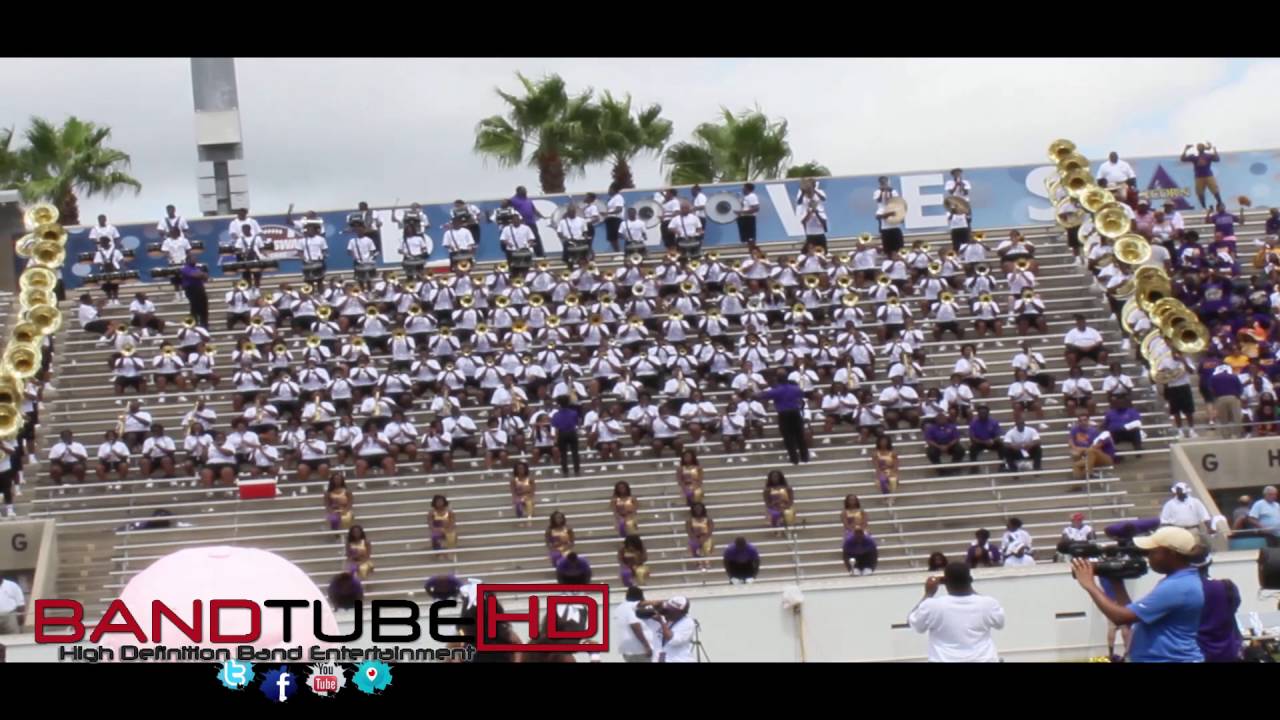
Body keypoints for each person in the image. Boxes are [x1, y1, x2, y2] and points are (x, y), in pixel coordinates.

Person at [1071, 526, 1206, 663]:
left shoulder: (1177, 586)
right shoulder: (1181, 581)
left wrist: (1090, 585)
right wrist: (1117, 583)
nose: (1148, 556)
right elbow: (1131, 616)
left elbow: (1120, 617)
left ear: (1171, 554)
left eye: (1153, 551)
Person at [907, 562, 1005, 662]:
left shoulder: (932, 605)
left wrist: (928, 593)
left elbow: (913, 622)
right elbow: (1000, 624)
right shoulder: (988, 603)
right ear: (970, 580)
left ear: (945, 582)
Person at [755, 369, 810, 464]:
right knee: (800, 435)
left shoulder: (776, 390)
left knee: (788, 437)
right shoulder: (794, 388)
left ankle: (794, 458)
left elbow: (761, 396)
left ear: (778, 380)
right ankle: (805, 457)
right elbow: (802, 394)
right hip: (795, 412)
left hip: (784, 414)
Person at [1195, 557, 1243, 662]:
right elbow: (1234, 608)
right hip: (1229, 651)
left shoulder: (1185, 591)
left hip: (1198, 653)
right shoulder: (1227, 587)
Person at [613, 586, 657, 663]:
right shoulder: (633, 606)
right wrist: (646, 646)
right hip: (639, 649)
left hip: (626, 649)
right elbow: (635, 625)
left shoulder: (619, 608)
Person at [1180, 142, 1223, 209]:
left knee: (1215, 191)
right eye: (1198, 146)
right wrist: (1186, 149)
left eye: (1201, 146)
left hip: (1208, 176)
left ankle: (1220, 204)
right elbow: (1183, 159)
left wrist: (1214, 150)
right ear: (1197, 148)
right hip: (1199, 177)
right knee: (1200, 193)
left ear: (1204, 148)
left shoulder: (1208, 155)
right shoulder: (1194, 156)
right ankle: (1204, 207)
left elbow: (1217, 159)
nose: (1199, 147)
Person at [179, 250, 211, 328]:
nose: (195, 260)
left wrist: (202, 274)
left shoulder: (197, 268)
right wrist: (202, 274)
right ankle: (194, 325)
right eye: (193, 258)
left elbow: (206, 277)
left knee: (204, 308)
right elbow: (195, 275)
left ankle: (204, 325)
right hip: (191, 290)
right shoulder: (185, 268)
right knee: (195, 308)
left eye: (195, 258)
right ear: (188, 260)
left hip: (200, 289)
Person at [551, 397, 580, 476]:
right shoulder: (574, 413)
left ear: (559, 404)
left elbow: (556, 428)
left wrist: (556, 438)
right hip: (572, 432)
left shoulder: (556, 415)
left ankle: (565, 470)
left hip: (562, 434)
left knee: (563, 453)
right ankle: (576, 469)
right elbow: (576, 423)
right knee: (575, 452)